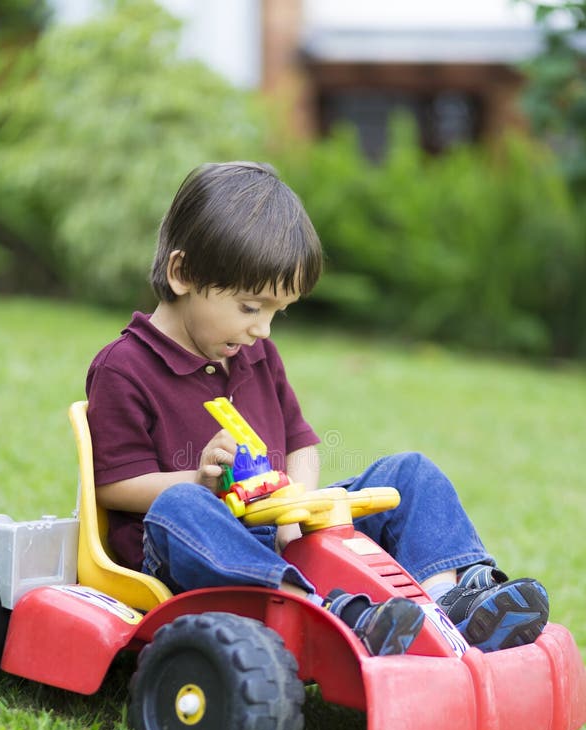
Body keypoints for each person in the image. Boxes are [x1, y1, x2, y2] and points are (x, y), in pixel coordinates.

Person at [86, 161, 549, 657]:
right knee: (182, 507)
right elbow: (112, 485)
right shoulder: (125, 367)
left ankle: (448, 604)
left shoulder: (254, 353)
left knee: (409, 472)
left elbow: (301, 444)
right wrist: (198, 482)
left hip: (279, 524)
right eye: (250, 307)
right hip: (190, 550)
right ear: (182, 274)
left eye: (276, 313)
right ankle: (326, 609)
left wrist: (295, 511)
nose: (262, 329)